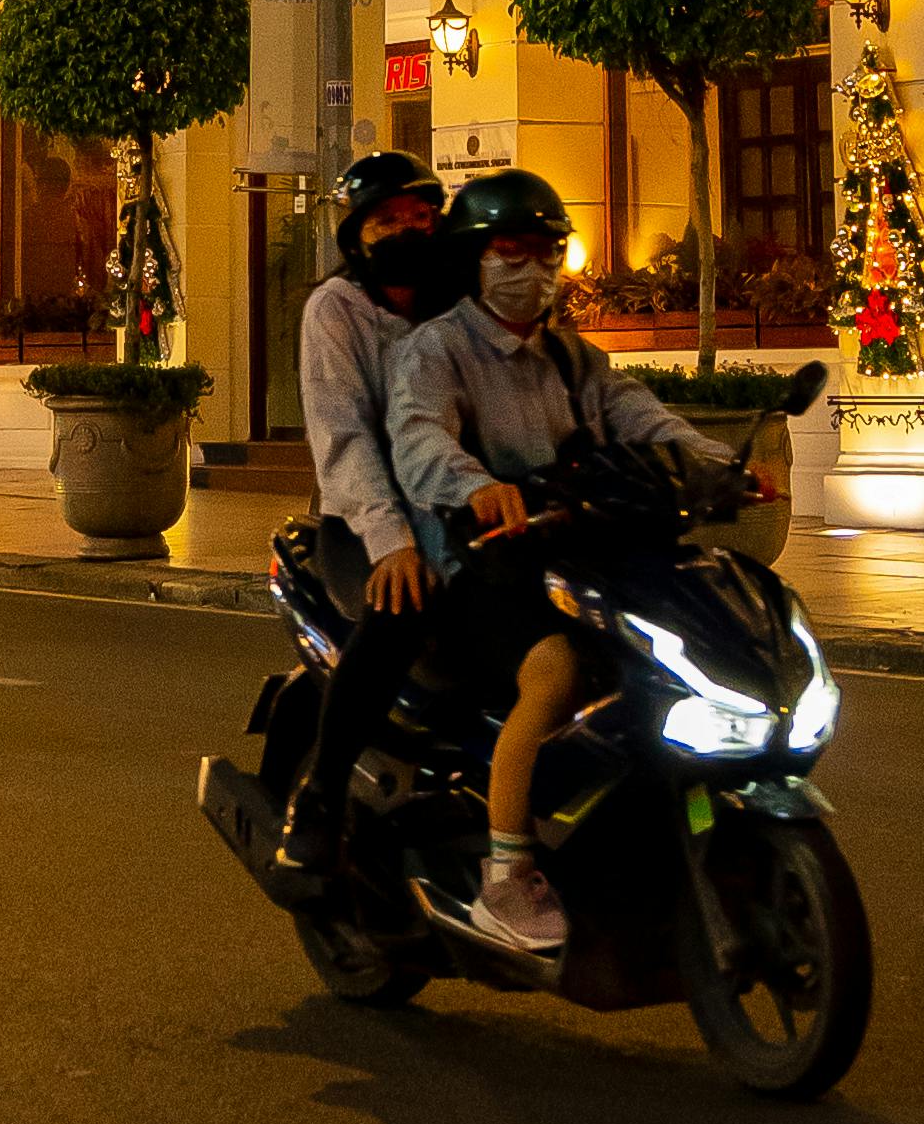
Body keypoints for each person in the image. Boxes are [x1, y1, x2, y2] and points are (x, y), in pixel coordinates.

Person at [389, 172, 756, 958]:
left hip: (580, 553)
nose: (532, 271)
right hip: (481, 562)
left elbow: (641, 416)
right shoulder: (437, 349)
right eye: (510, 252)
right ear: (474, 259)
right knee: (555, 673)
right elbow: (419, 439)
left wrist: (719, 466)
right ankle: (506, 877)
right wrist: (477, 486)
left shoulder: (572, 357)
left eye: (545, 252)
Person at [277, 156, 479, 895]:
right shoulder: (335, 310)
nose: (405, 228)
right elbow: (345, 437)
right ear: (358, 233)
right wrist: (391, 541)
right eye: (386, 217)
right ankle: (321, 799)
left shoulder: (463, 307)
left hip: (460, 512)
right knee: (402, 610)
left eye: (419, 215)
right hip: (360, 526)